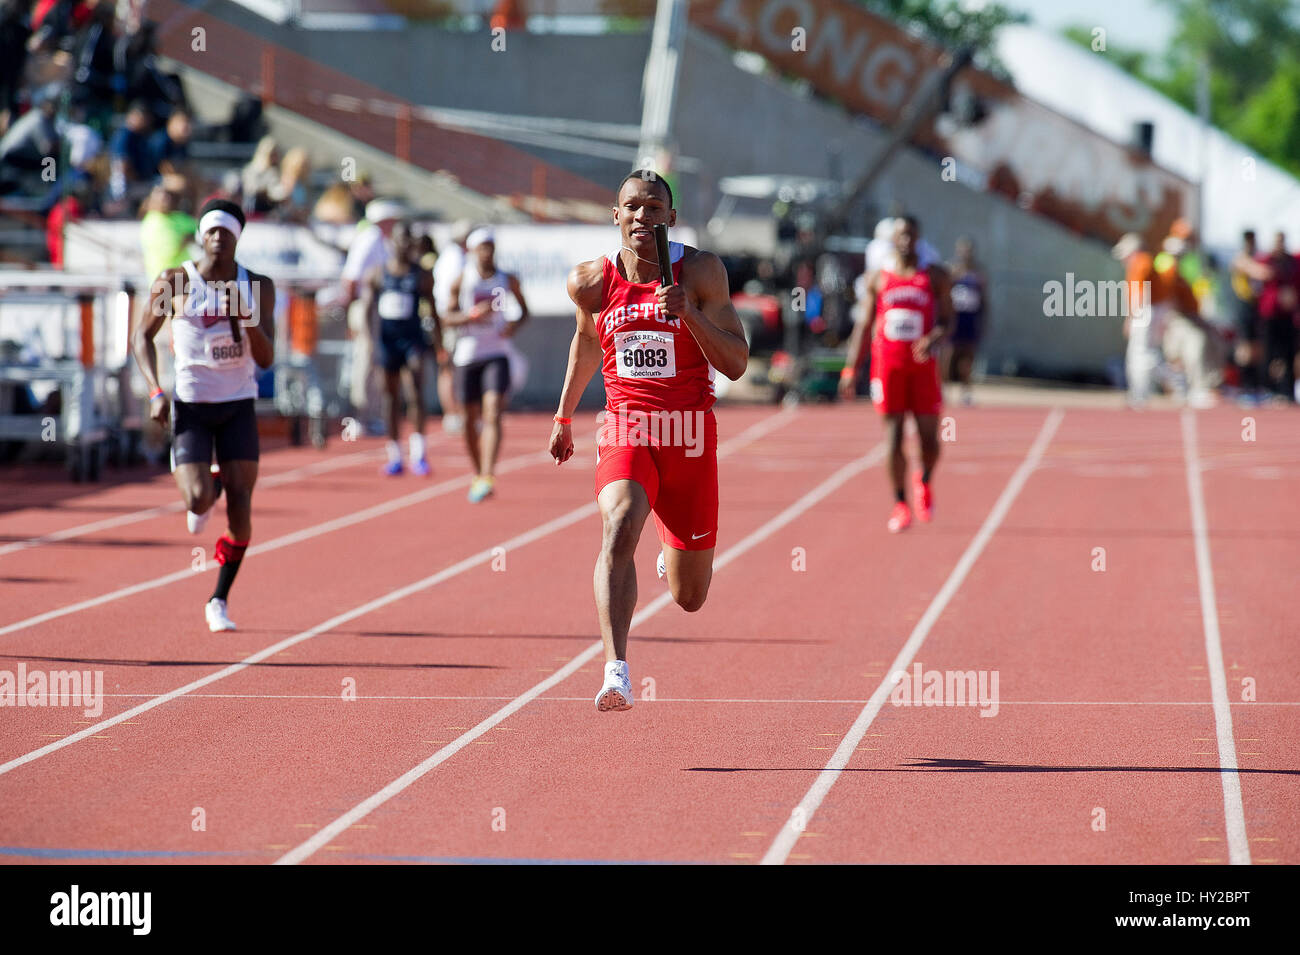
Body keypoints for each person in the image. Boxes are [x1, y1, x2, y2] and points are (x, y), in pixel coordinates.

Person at [549, 170, 749, 712]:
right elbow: (587, 344)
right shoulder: (592, 281)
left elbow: (735, 363)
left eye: (655, 208)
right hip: (627, 425)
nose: (643, 216)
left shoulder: (702, 271)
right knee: (618, 525)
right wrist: (565, 416)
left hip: (688, 436)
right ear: (616, 216)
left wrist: (689, 317)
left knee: (690, 598)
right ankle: (617, 670)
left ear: (671, 218)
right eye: (632, 207)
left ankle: (672, 543)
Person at [132, 199, 276, 632]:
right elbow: (140, 337)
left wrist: (246, 315)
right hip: (191, 404)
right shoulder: (176, 281)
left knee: (242, 510)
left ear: (237, 238)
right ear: (200, 236)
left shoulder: (258, 285)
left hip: (238, 404)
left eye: (225, 232)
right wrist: (156, 390)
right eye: (210, 230)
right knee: (196, 501)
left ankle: (218, 599)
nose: (216, 238)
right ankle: (206, 486)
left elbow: (267, 359)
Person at [839, 216, 952, 533]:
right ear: (893, 240)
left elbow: (948, 321)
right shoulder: (878, 278)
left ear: (918, 238)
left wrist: (934, 338)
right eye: (900, 235)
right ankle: (900, 503)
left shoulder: (934, 277)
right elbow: (863, 326)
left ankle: (924, 478)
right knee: (893, 438)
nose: (905, 240)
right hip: (887, 367)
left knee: (930, 440)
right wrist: (851, 369)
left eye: (911, 235)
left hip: (923, 369)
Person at [445, 228, 529, 502]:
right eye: (482, 247)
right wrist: (471, 315)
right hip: (468, 355)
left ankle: (488, 474)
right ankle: (478, 471)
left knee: (492, 411)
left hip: (497, 353)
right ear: (471, 251)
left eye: (490, 246)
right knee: (469, 418)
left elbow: (525, 311)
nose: (487, 252)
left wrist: (512, 326)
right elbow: (447, 316)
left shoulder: (507, 280)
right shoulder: (462, 280)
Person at [359, 219, 443, 476]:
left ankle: (419, 453)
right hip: (387, 341)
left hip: (413, 340)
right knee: (390, 396)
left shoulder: (421, 274)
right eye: (401, 239)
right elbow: (367, 309)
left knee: (416, 391)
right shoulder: (377, 273)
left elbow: (433, 310)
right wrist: (370, 341)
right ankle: (394, 453)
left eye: (409, 240)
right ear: (392, 242)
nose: (405, 245)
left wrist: (439, 344)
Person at [341, 198, 403, 432]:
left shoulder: (385, 242)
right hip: (365, 305)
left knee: (376, 358)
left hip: (378, 306)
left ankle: (372, 414)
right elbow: (351, 277)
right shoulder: (369, 240)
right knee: (365, 359)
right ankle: (360, 416)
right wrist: (351, 310)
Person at [431, 219, 472, 434]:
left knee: (453, 366)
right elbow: (450, 294)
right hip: (449, 320)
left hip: (452, 318)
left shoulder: (455, 256)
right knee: (448, 366)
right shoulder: (454, 259)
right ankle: (452, 413)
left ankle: (456, 412)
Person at [1230, 230, 1269, 405]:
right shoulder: (1241, 258)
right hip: (1243, 306)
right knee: (1245, 348)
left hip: (1256, 306)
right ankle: (1244, 388)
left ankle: (1256, 386)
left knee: (1257, 348)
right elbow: (1261, 272)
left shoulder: (1257, 256)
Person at [946, 236, 985, 406]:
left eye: (968, 250)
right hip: (955, 319)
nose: (965, 253)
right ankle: (943, 390)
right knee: (948, 356)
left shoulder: (978, 273)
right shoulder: (951, 270)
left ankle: (966, 391)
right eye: (962, 249)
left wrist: (983, 322)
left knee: (967, 358)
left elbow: (984, 301)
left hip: (970, 320)